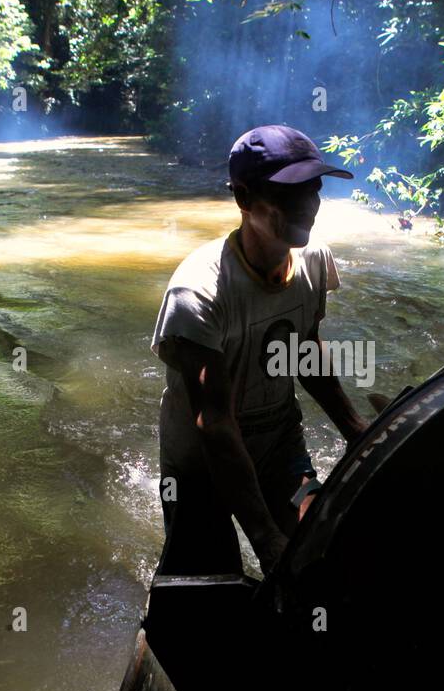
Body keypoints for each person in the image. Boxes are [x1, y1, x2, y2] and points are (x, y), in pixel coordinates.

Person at [151, 125, 370, 576]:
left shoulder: (313, 262)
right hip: (199, 464)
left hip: (278, 447)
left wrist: (357, 430)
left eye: (314, 188)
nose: (308, 205)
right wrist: (265, 538)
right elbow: (214, 424)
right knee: (211, 585)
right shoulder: (198, 292)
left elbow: (304, 350)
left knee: (317, 549)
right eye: (290, 192)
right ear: (244, 199)